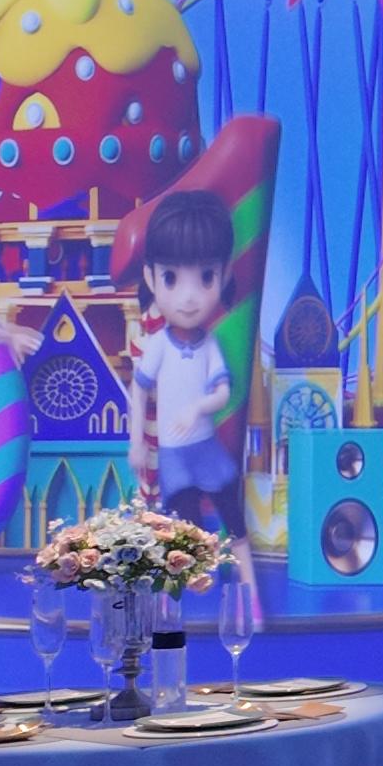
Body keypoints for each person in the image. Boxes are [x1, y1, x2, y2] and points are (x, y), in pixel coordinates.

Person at [131, 188, 244, 537]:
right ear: (150, 277)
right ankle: (192, 575)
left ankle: (248, 573)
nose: (189, 297)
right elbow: (139, 389)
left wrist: (198, 407)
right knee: (186, 528)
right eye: (171, 278)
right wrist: (136, 442)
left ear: (224, 275)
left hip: (206, 446)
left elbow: (222, 393)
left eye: (206, 277)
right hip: (173, 453)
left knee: (233, 517)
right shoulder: (158, 346)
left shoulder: (209, 345)